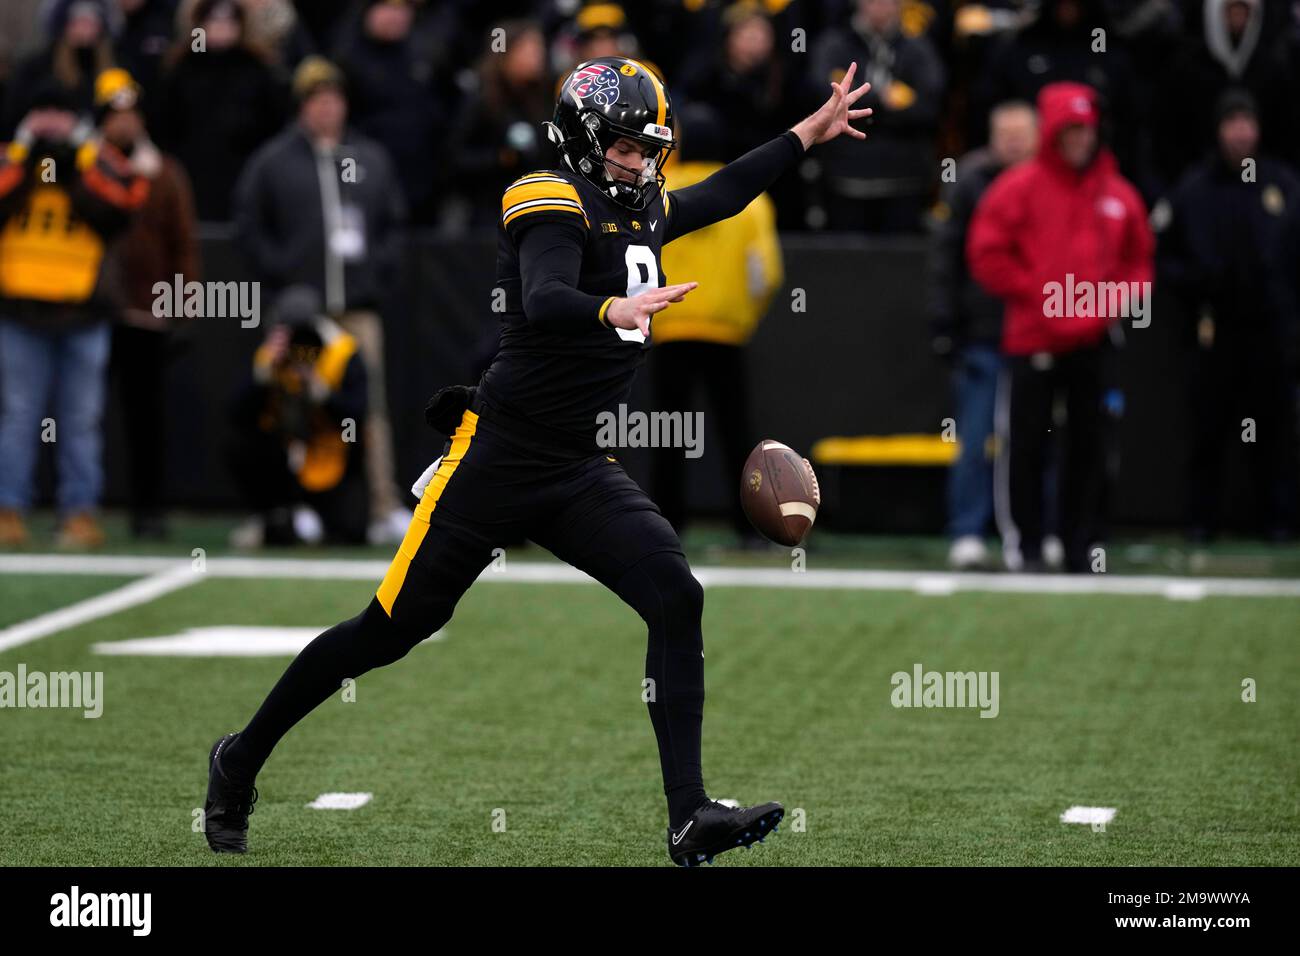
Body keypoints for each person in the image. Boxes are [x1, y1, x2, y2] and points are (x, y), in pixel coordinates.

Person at [203, 54, 873, 867]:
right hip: (496, 455)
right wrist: (612, 307)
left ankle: (690, 813)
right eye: (624, 147)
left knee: (674, 593)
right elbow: (548, 294)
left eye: (647, 148)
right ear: (585, 140)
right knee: (389, 629)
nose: (639, 161)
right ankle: (238, 760)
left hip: (575, 465)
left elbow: (725, 190)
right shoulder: (544, 195)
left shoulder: (647, 207)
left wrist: (811, 129)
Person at [968, 81, 1153, 573]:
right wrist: (1039, 296)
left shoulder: (1117, 194)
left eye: (1085, 130)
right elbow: (986, 252)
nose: (1079, 140)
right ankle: (1026, 547)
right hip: (1032, 339)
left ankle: (1080, 547)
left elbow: (1140, 263)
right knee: (1026, 444)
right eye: (1069, 130)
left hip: (1093, 341)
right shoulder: (1019, 187)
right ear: (1052, 132)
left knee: (1089, 447)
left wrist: (1106, 302)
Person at [233, 56, 409, 543]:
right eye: (317, 100)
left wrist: (374, 277)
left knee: (367, 410)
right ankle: (290, 509)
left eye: (334, 99)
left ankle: (380, 505)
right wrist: (286, 279)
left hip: (356, 309)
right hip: (302, 314)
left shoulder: (370, 158)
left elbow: (394, 227)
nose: (327, 109)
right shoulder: (274, 161)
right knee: (290, 404)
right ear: (302, 106)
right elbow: (250, 228)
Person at [0, 80, 149, 547]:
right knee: (20, 415)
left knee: (80, 419)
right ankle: (9, 510)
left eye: (60, 113)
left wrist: (79, 157)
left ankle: (79, 512)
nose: (52, 123)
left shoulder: (93, 161)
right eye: (42, 112)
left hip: (84, 312)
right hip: (21, 310)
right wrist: (26, 153)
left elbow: (125, 201)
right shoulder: (15, 159)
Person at [1156, 89, 1300, 541]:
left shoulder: (1282, 183)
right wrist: (1198, 283)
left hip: (1271, 328)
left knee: (1274, 430)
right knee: (1208, 430)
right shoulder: (1193, 189)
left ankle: (1278, 521)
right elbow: (1165, 257)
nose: (1241, 132)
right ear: (1218, 129)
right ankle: (1201, 521)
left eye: (1247, 122)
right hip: (1213, 330)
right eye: (1232, 122)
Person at [651, 103, 783, 544]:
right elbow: (766, 273)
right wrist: (745, 316)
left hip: (670, 328)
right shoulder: (749, 199)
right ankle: (749, 528)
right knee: (737, 432)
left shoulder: (658, 190)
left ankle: (664, 523)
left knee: (668, 429)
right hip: (727, 331)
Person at [929, 100, 1037, 569]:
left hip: (1038, 332)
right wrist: (944, 321)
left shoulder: (1051, 183)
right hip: (984, 331)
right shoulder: (971, 180)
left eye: (1022, 132)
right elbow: (945, 255)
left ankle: (1036, 530)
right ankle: (968, 530)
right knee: (974, 437)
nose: (1014, 140)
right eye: (1005, 131)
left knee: (1037, 438)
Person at [99, 66, 201, 541]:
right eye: (115, 115)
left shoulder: (164, 174)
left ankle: (148, 510)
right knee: (74, 417)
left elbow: (184, 244)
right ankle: (78, 509)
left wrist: (183, 307)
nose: (125, 123)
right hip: (85, 312)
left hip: (144, 313)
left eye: (131, 113)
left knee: (145, 420)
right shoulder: (83, 168)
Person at [227, 286, 370, 546]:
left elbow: (356, 416)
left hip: (330, 457)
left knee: (350, 531)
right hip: (284, 455)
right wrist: (264, 374)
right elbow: (237, 414)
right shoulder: (270, 356)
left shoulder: (343, 352)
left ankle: (299, 522)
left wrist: (321, 392)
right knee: (239, 445)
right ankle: (273, 515)